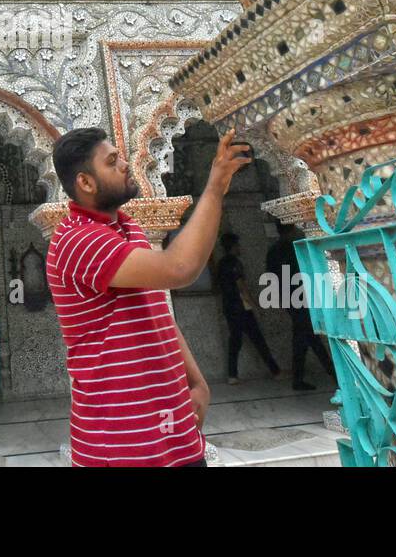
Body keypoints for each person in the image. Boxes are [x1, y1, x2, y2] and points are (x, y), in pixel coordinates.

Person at [46, 126, 251, 467]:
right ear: (85, 182)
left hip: (176, 436)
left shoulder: (128, 229)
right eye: (112, 161)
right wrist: (214, 189)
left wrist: (197, 382)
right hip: (122, 445)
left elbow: (156, 314)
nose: (125, 164)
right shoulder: (76, 240)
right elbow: (179, 268)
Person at [265, 224, 333, 391]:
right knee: (309, 336)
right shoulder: (295, 247)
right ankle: (335, 375)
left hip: (289, 299)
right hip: (301, 297)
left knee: (303, 337)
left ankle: (301, 378)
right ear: (291, 230)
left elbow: (271, 276)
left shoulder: (273, 250)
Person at [215, 233, 280, 383]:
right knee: (258, 340)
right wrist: (255, 306)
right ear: (233, 246)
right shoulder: (235, 263)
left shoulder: (221, 264)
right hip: (241, 307)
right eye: (238, 245)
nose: (240, 248)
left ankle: (232, 375)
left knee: (235, 340)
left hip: (229, 306)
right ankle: (275, 371)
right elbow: (242, 287)